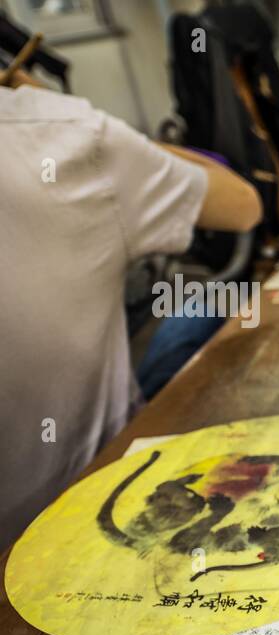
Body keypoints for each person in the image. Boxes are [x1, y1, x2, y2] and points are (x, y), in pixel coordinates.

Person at [0, 70, 262, 549]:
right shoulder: (62, 131)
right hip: (93, 495)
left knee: (199, 306)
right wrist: (103, 129)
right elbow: (243, 203)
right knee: (215, 302)